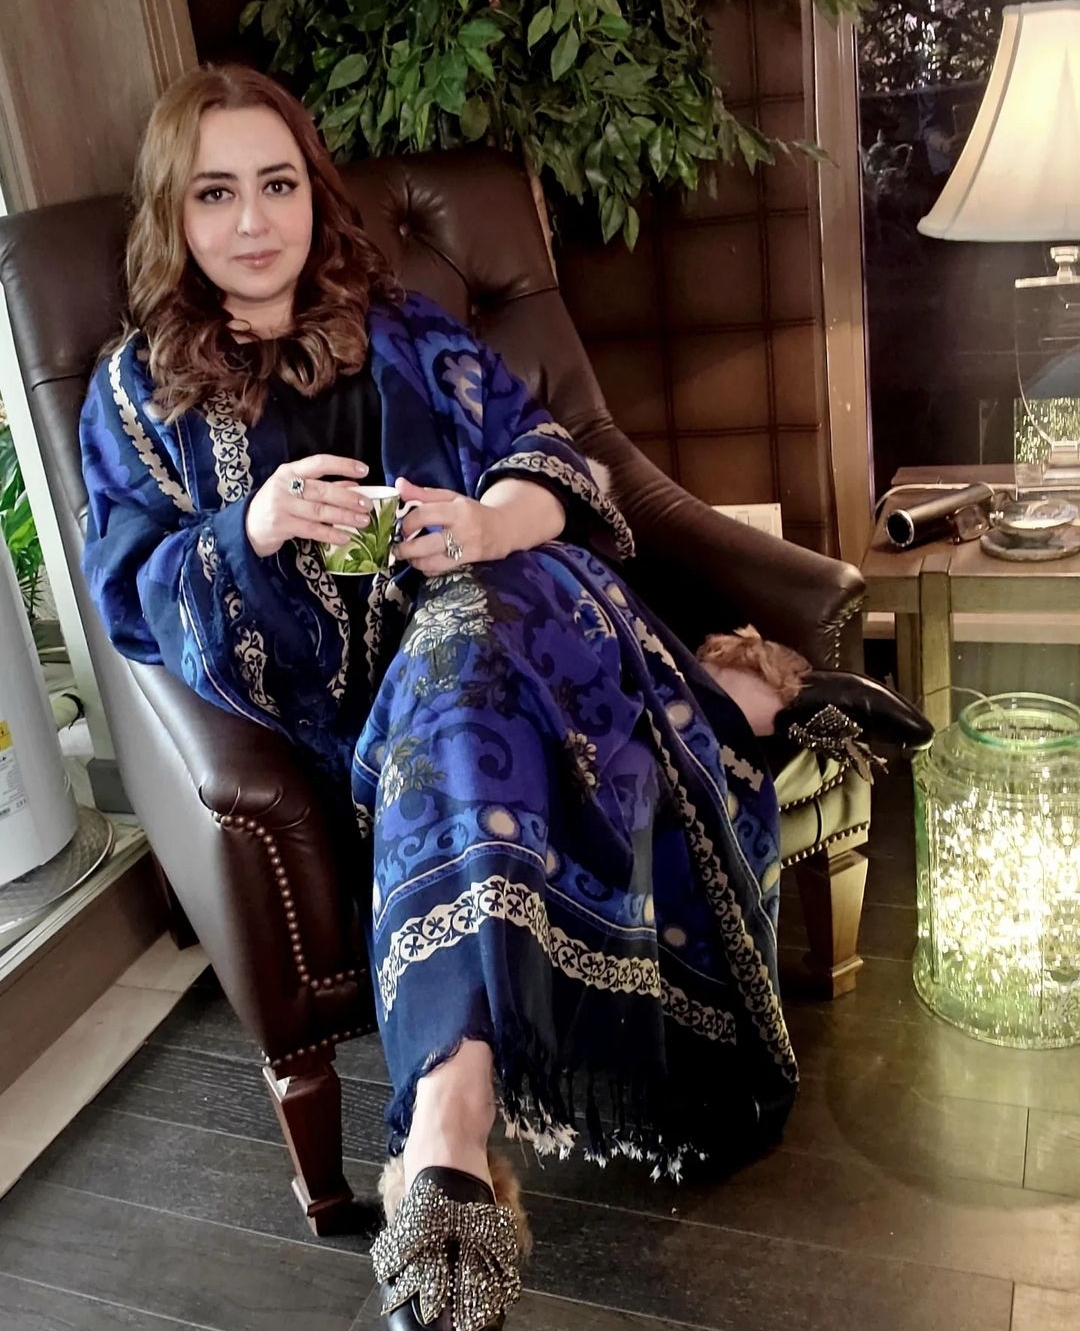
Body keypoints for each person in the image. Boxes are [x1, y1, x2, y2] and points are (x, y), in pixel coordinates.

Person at [79, 65, 931, 1331]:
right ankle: (744, 705)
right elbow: (130, 591)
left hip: (518, 623)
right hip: (361, 718)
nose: (254, 222)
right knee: (455, 672)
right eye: (215, 193)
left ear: (312, 194)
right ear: (173, 209)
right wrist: (249, 528)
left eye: (277, 184)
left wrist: (481, 525)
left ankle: (448, 1130)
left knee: (483, 613)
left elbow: (548, 458)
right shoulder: (133, 395)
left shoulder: (404, 329)